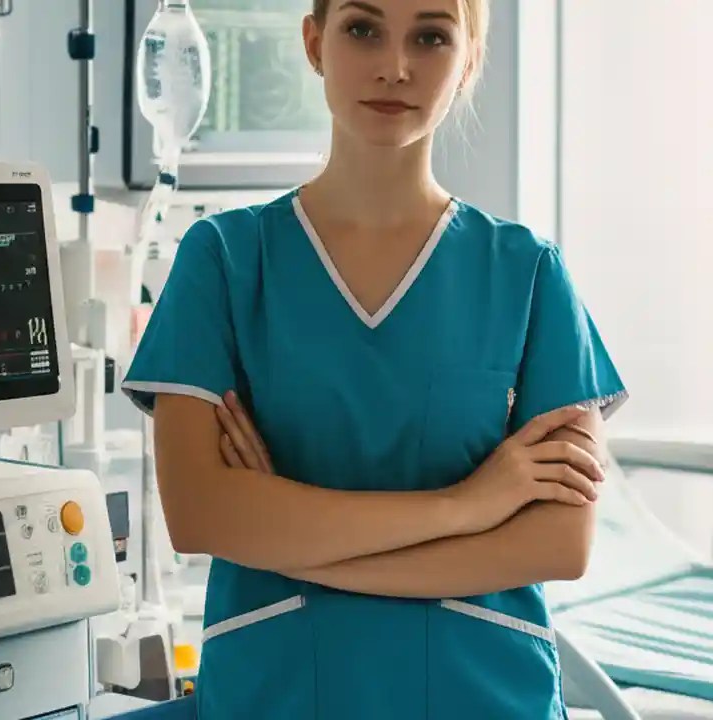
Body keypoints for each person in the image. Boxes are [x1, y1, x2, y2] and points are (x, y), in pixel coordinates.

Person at [119, 0, 628, 717]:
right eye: (362, 28)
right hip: (279, 689)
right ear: (314, 42)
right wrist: (469, 504)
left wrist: (284, 540)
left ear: (469, 60)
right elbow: (201, 514)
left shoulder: (528, 272)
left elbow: (557, 542)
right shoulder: (228, 259)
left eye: (430, 36)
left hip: (478, 692)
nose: (395, 66)